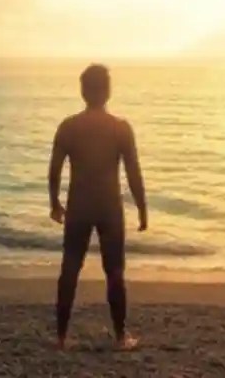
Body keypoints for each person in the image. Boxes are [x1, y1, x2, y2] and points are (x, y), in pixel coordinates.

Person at [48, 63, 147, 350]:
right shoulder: (120, 129)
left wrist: (54, 203)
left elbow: (54, 170)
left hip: (79, 206)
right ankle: (120, 337)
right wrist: (142, 208)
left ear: (83, 91)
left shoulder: (68, 127)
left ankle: (61, 337)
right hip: (108, 208)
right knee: (115, 271)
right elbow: (133, 172)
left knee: (69, 270)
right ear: (108, 91)